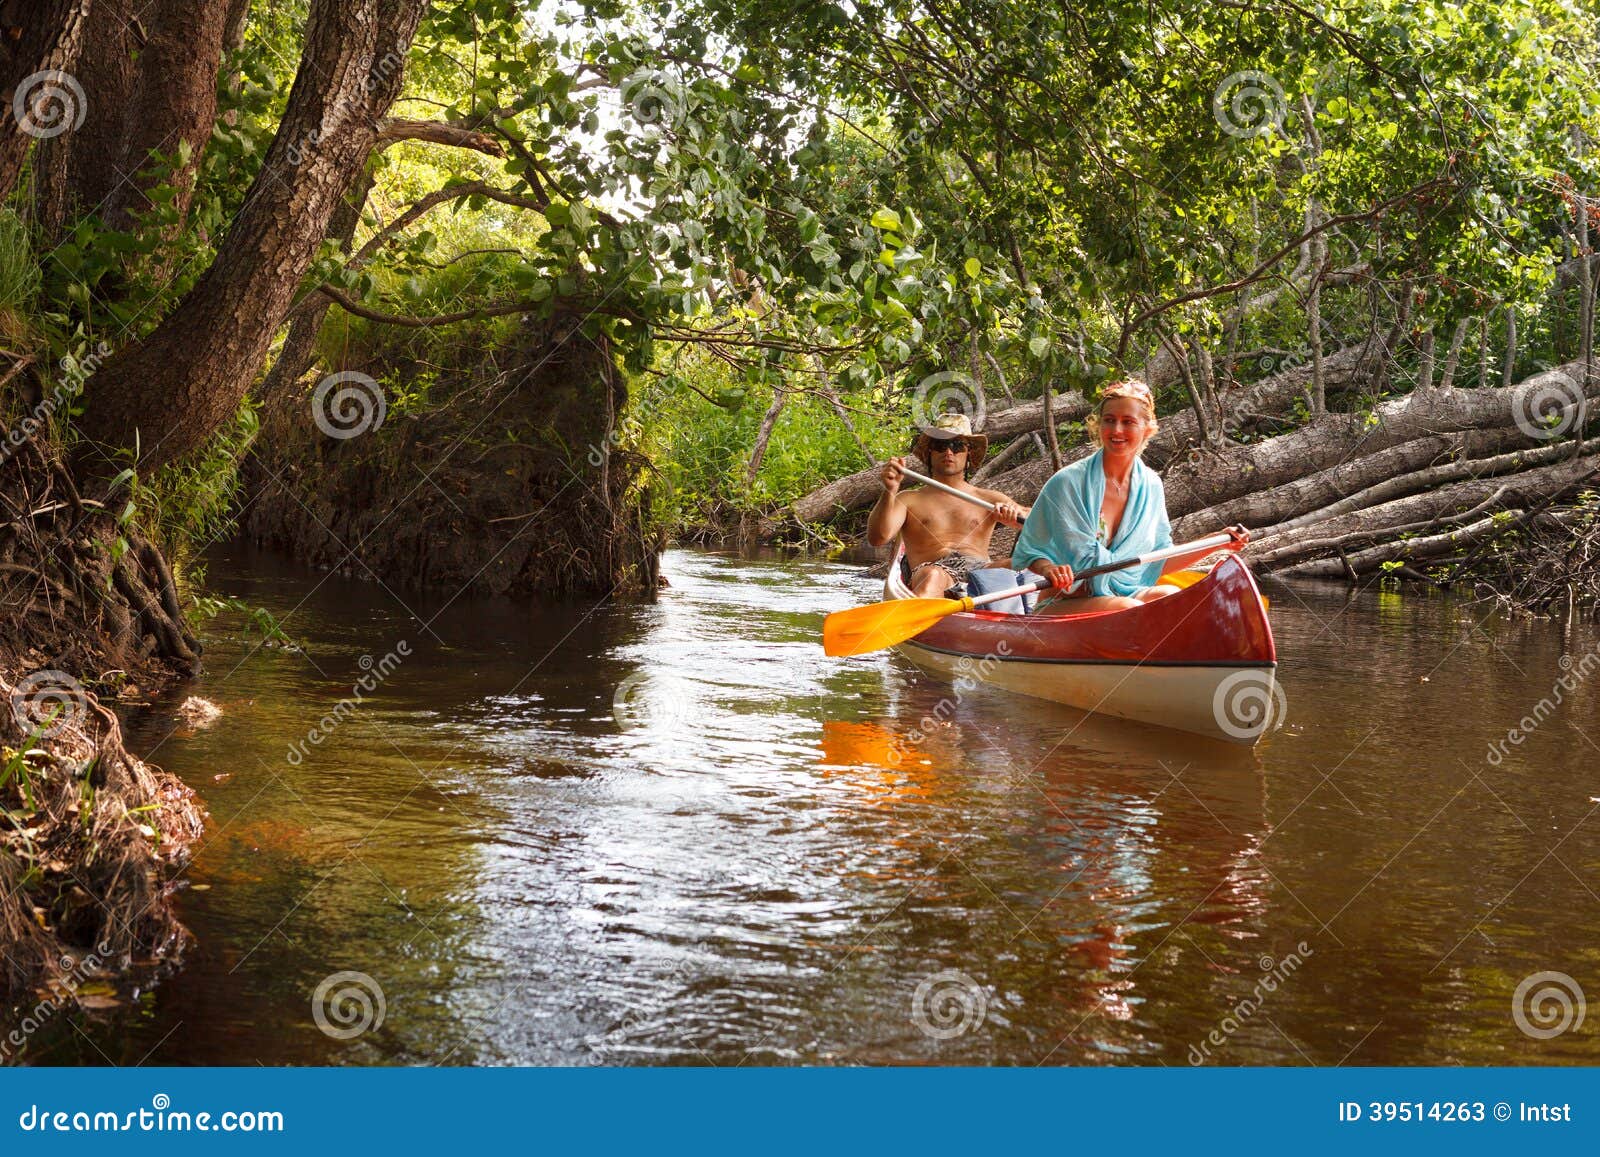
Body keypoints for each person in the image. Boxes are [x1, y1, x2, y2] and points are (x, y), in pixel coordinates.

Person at [1011, 378, 1249, 613]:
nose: (1117, 430)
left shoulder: (1151, 485)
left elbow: (1159, 561)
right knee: (1128, 608)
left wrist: (1218, 541)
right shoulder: (1067, 482)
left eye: (1128, 422)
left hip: (1127, 594)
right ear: (1098, 425)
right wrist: (1048, 568)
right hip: (1062, 604)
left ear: (1147, 428)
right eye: (1109, 420)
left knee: (1171, 596)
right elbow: (1030, 549)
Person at [866, 413, 1031, 598]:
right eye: (941, 445)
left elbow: (1032, 517)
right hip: (931, 571)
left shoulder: (989, 498)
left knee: (1028, 564)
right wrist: (889, 490)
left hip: (980, 572)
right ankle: (920, 616)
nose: (949, 452)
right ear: (930, 452)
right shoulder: (908, 499)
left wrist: (1016, 518)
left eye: (957, 445)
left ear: (968, 453)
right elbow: (878, 538)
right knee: (933, 576)